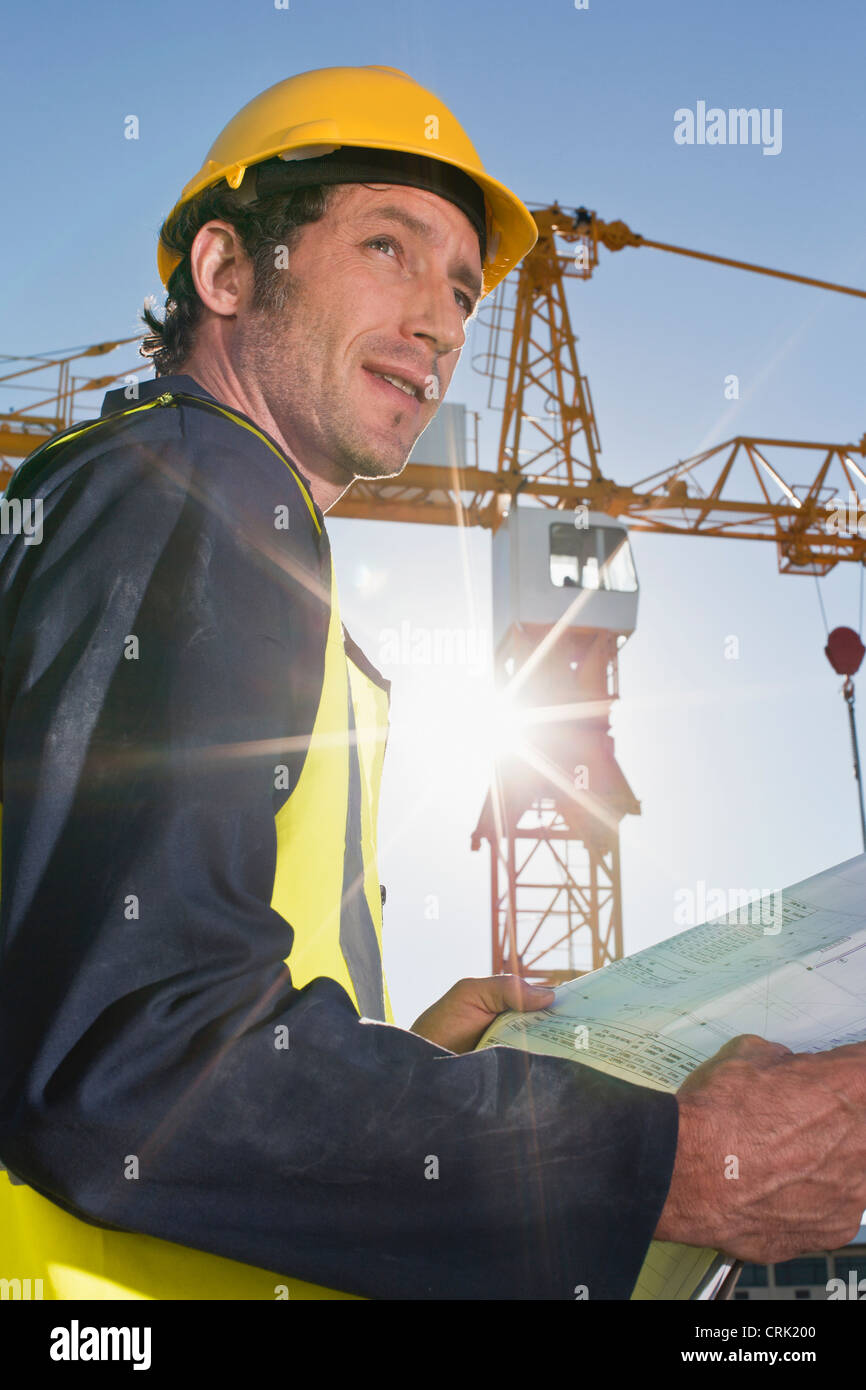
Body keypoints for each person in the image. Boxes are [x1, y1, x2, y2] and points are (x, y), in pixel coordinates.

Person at [0, 65, 865, 1302]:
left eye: (460, 290)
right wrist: (662, 1166)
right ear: (227, 272)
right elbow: (129, 1059)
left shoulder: (232, 524)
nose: (442, 322)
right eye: (387, 248)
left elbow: (147, 1043)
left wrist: (393, 1060)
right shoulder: (200, 485)